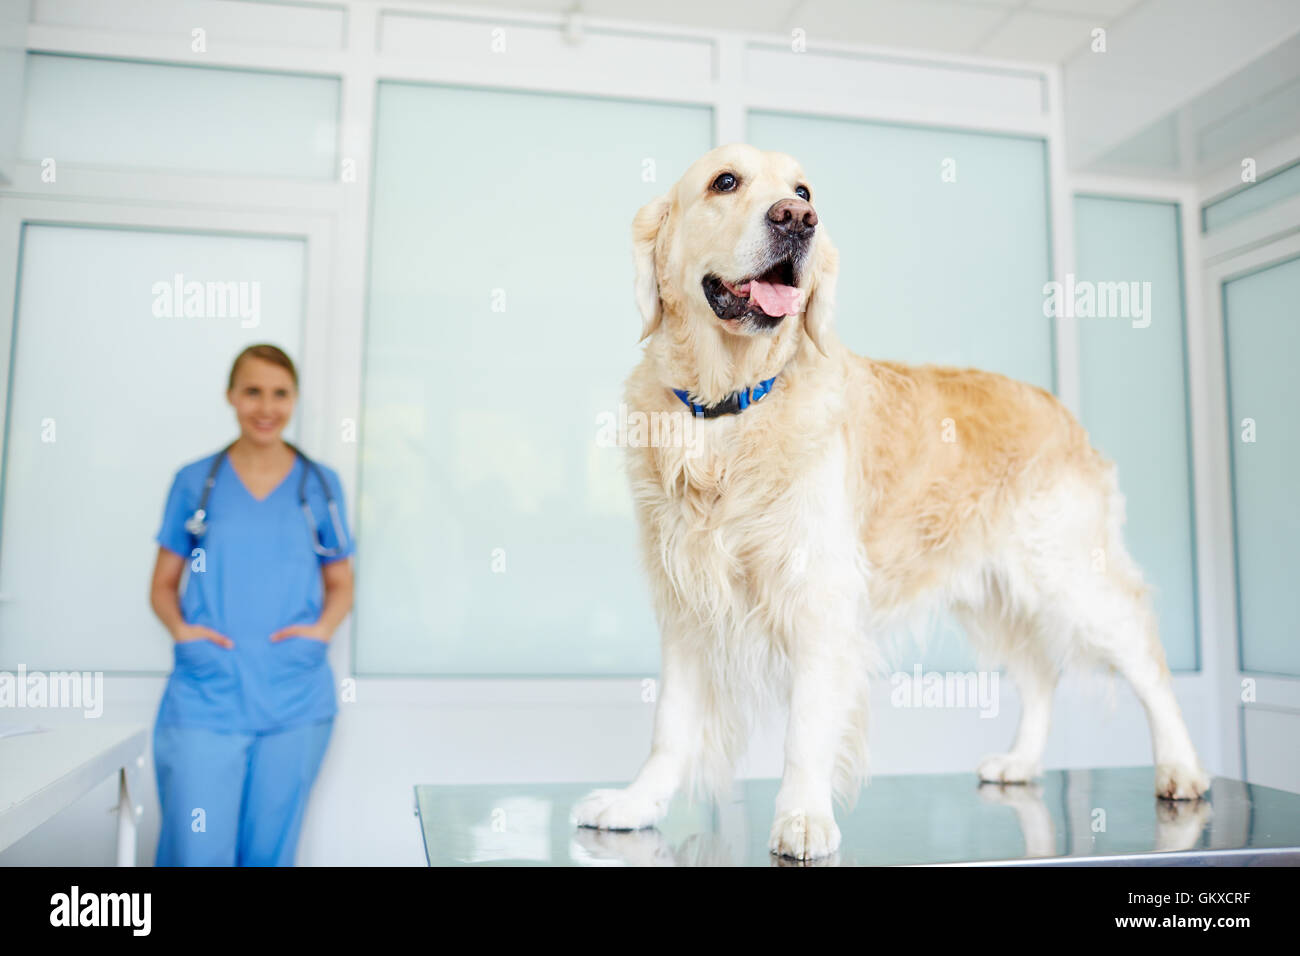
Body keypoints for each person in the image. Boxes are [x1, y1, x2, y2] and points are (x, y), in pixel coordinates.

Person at [148, 344, 354, 866]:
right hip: (207, 692)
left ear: (295, 399)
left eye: (280, 393)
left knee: (268, 855)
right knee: (196, 852)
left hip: (293, 695)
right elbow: (162, 586)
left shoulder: (319, 486)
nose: (267, 407)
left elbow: (342, 584)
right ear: (231, 396)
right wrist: (183, 632)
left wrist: (320, 633)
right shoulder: (196, 481)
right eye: (253, 392)